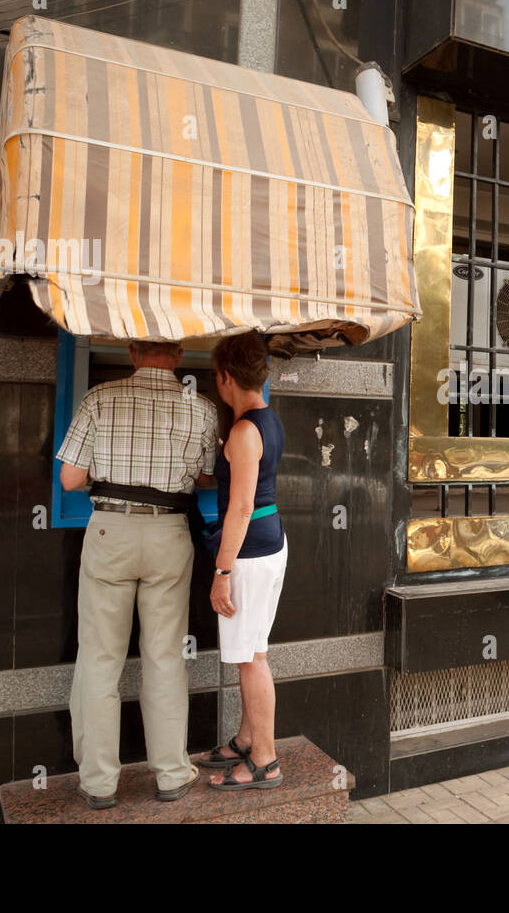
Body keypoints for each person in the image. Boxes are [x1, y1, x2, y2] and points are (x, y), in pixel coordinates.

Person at [56, 340, 218, 808]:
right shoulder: (202, 408)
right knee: (165, 657)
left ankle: (99, 783)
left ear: (131, 352)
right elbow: (207, 476)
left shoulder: (99, 398)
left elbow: (69, 478)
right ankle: (170, 774)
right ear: (180, 352)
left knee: (100, 659)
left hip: (111, 531)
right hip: (169, 535)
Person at [200, 330, 288, 790]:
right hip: (270, 544)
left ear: (225, 378)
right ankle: (245, 738)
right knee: (254, 648)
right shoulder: (268, 420)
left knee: (251, 658)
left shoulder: (242, 430)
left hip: (248, 554)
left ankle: (265, 761)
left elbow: (240, 506)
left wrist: (222, 571)